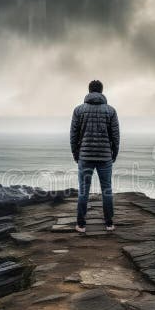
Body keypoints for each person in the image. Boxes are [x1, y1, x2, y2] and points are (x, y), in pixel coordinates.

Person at [70, 79, 120, 233]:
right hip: (105, 157)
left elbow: (73, 135)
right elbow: (115, 136)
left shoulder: (78, 110)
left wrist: (76, 154)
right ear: (102, 91)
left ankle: (81, 225)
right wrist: (114, 154)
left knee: (83, 190)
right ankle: (109, 223)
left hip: (85, 156)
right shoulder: (111, 111)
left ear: (89, 91)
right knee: (107, 190)